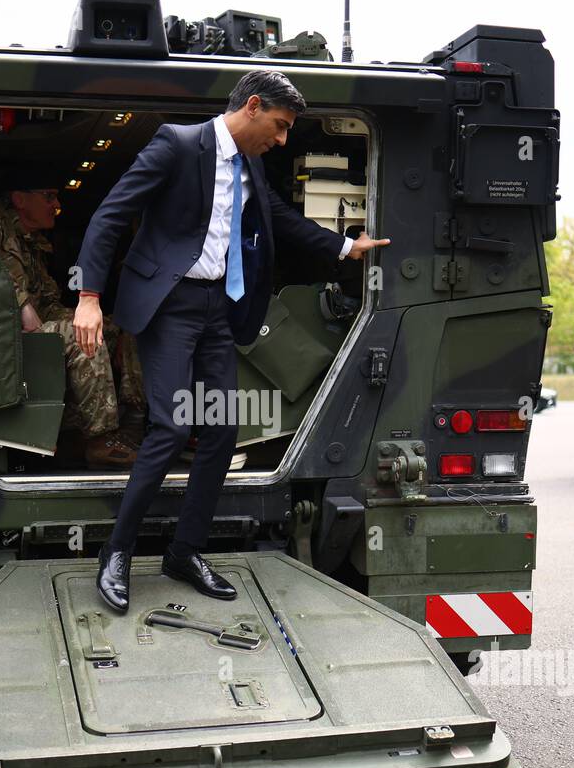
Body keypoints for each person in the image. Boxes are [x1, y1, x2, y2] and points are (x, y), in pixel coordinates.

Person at [76, 69, 390, 612]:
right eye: (280, 125)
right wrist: (88, 296)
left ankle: (184, 552)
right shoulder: (176, 144)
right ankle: (117, 553)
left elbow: (280, 220)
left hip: (216, 310)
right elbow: (111, 215)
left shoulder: (251, 161)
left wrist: (343, 248)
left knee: (222, 431)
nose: (283, 138)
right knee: (172, 425)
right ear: (251, 107)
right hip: (168, 307)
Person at [0, 171, 146, 469]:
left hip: (34, 323)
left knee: (118, 327)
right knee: (79, 333)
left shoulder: (31, 241)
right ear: (20, 199)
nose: (56, 205)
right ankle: (99, 440)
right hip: (2, 330)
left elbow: (49, 301)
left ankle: (132, 420)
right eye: (48, 196)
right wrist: (23, 306)